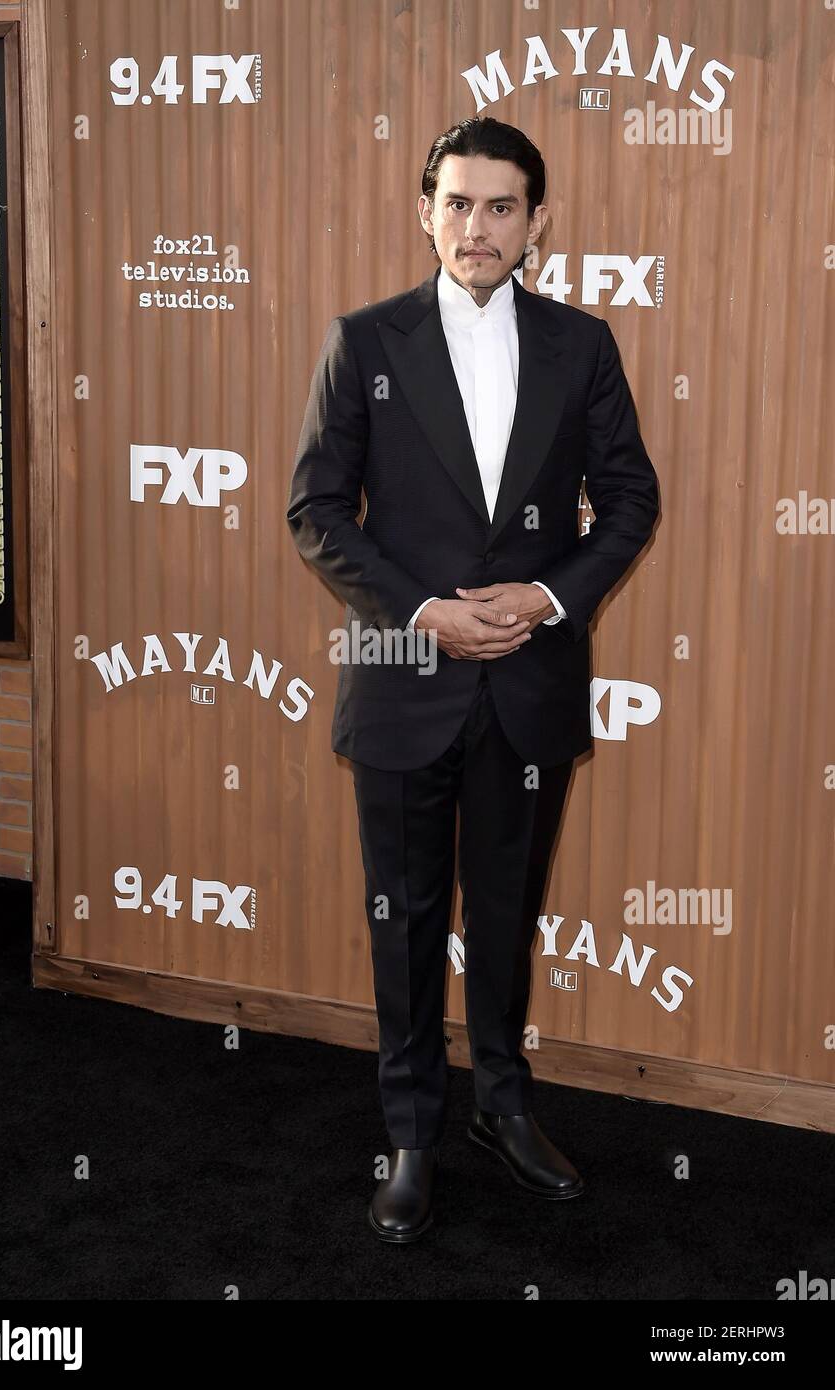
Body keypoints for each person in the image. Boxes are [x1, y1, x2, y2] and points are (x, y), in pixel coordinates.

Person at [287, 116, 660, 1242]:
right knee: (404, 922)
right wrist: (421, 610)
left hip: (528, 683)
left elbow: (630, 499)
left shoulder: (580, 344)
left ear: (537, 222)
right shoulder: (364, 342)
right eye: (456, 203)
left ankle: (502, 1107)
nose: (476, 226)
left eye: (501, 206)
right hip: (403, 674)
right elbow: (313, 511)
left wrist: (546, 599)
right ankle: (409, 1132)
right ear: (425, 211)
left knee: (504, 915)